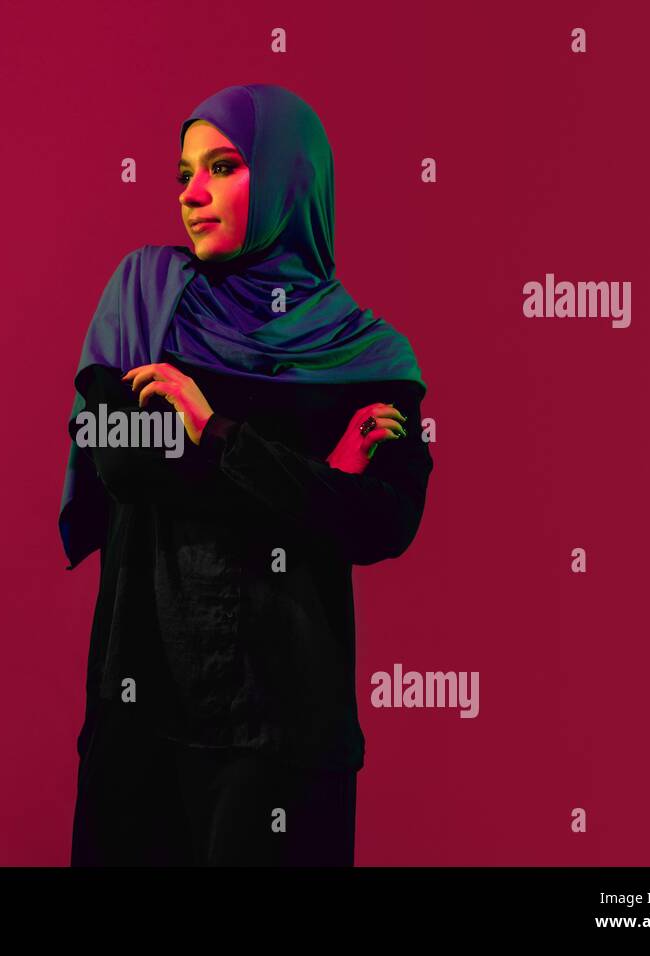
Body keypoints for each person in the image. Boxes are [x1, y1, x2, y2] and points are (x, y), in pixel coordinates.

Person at [59, 83, 433, 866]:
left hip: (286, 739)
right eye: (182, 174)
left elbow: (385, 521)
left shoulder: (370, 354)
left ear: (290, 180)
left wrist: (213, 429)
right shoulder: (144, 296)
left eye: (222, 167)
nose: (192, 195)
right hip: (140, 718)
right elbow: (124, 458)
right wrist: (314, 480)